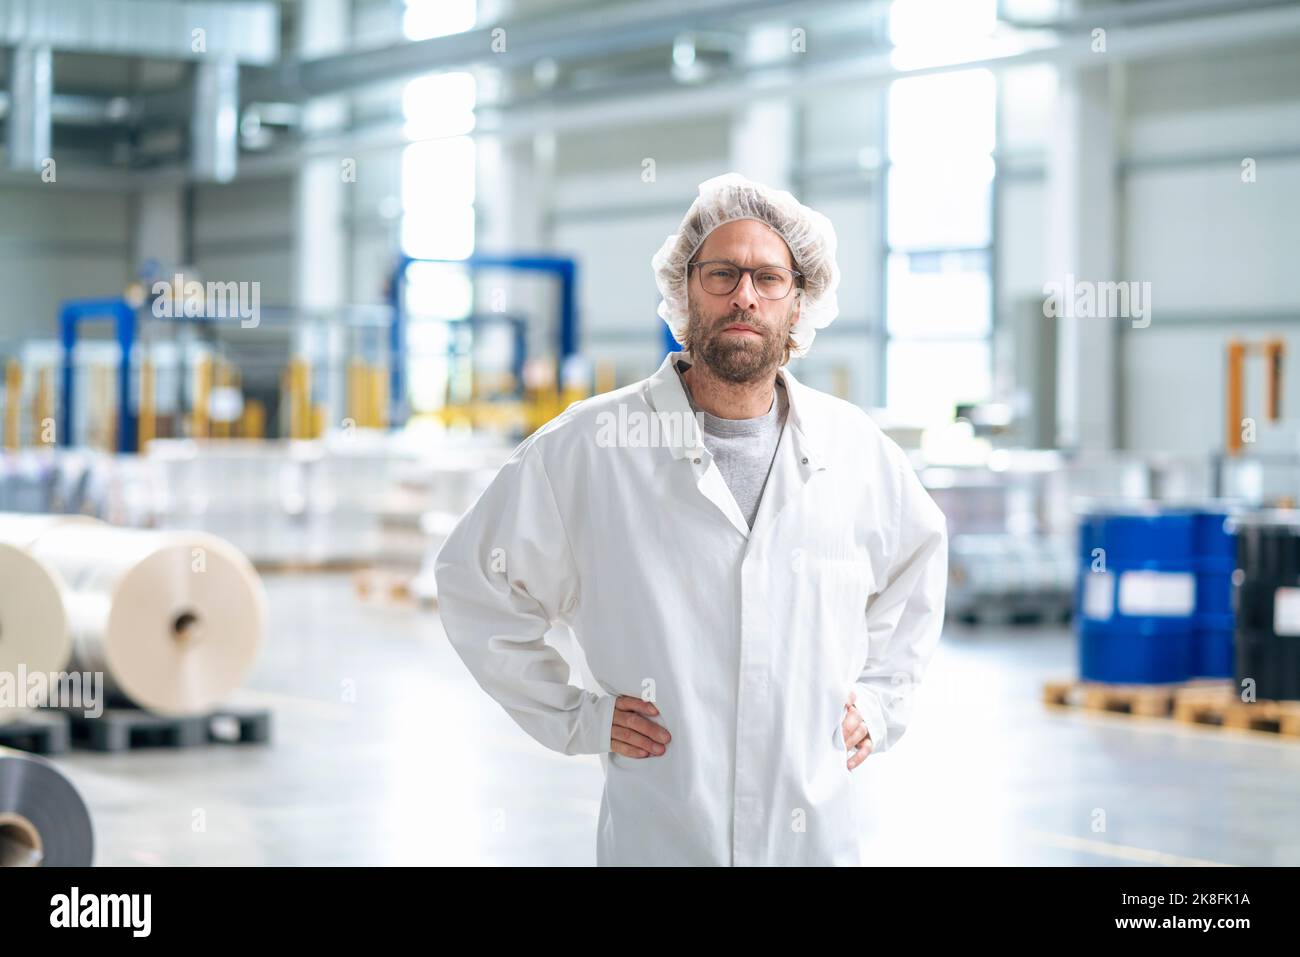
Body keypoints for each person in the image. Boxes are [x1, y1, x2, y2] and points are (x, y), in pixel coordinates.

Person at [434, 172, 948, 866]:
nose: (745, 294)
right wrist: (575, 714)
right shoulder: (591, 448)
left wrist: (880, 704)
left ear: (799, 302)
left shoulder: (853, 453)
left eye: (768, 278)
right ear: (684, 288)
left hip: (813, 841)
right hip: (663, 837)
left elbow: (919, 565)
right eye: (722, 273)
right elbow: (474, 580)